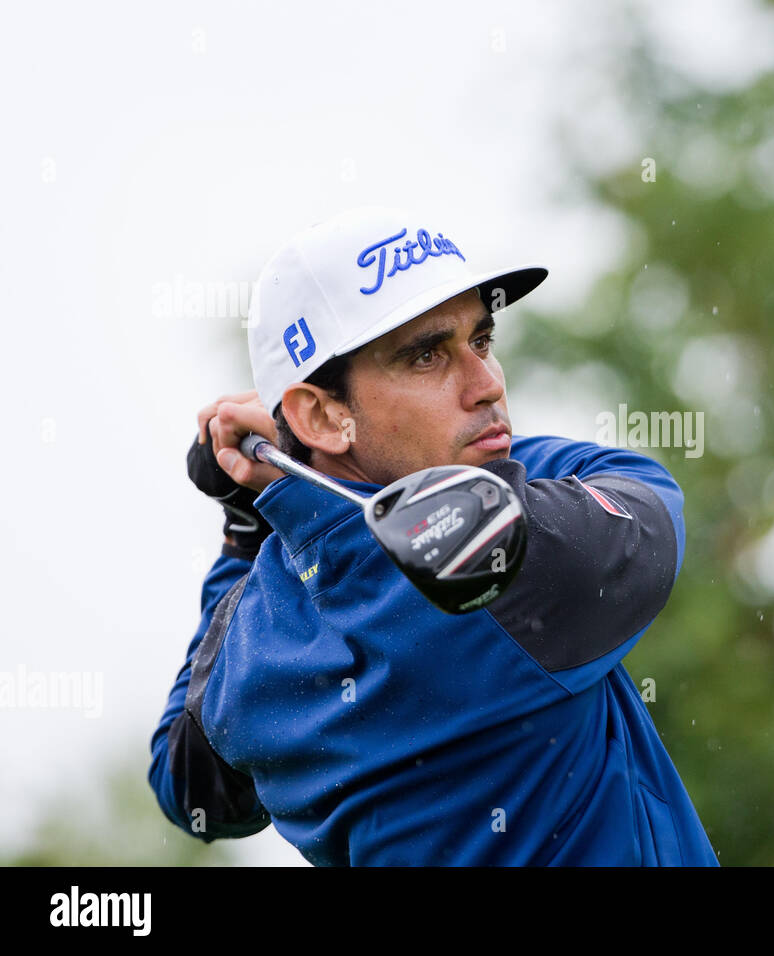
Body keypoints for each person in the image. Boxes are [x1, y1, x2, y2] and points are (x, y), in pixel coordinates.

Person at [147, 206, 719, 866]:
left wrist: (250, 522)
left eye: (481, 341)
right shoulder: (505, 570)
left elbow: (187, 784)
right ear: (323, 414)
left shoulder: (250, 657)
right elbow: (641, 495)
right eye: (426, 357)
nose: (488, 384)